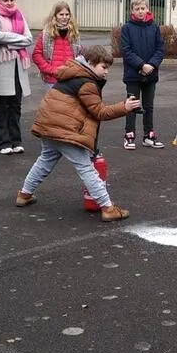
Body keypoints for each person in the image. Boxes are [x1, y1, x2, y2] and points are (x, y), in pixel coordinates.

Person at [16, 45, 138, 222]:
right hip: (65, 130)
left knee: (44, 161)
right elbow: (99, 112)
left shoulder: (71, 72)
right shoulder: (86, 82)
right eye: (104, 67)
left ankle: (24, 194)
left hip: (49, 125)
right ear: (91, 63)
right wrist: (124, 107)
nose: (106, 71)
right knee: (86, 168)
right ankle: (108, 208)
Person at [0, 0, 33, 155]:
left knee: (15, 105)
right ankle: (3, 142)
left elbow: (29, 39)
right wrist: (18, 40)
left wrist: (9, 41)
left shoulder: (19, 15)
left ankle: (16, 140)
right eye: (6, 0)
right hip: (0, 67)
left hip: (18, 67)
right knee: (1, 105)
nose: (10, 2)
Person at [120, 0, 165, 149]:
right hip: (133, 75)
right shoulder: (127, 28)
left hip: (151, 74)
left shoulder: (154, 27)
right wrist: (141, 65)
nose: (140, 11)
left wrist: (151, 64)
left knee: (148, 106)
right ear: (132, 10)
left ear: (147, 9)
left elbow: (160, 49)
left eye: (143, 8)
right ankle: (129, 135)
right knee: (132, 105)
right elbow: (126, 51)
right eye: (137, 9)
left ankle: (148, 135)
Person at [32, 1, 81, 90]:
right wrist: (50, 70)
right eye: (61, 14)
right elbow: (36, 55)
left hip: (70, 78)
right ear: (55, 16)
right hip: (52, 79)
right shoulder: (46, 33)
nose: (64, 17)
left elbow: (79, 54)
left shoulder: (74, 33)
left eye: (67, 14)